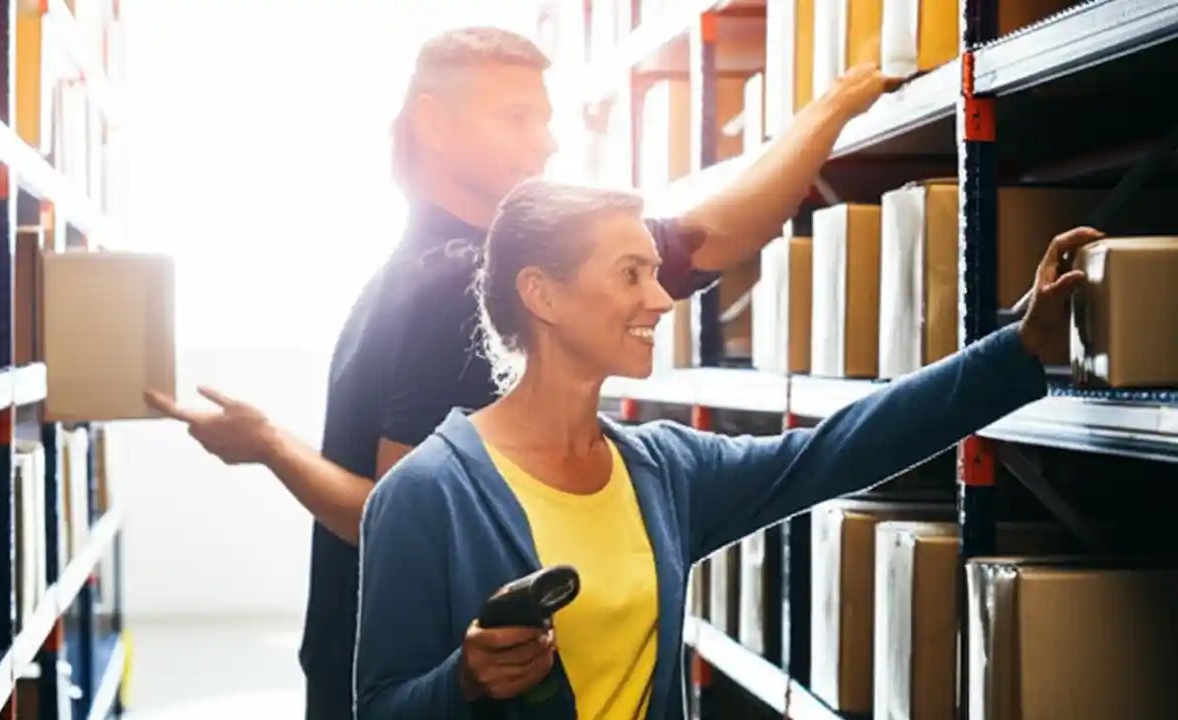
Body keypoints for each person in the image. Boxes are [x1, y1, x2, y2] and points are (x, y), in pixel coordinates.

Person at [146, 27, 897, 719]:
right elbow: (389, 510)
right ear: (435, 122)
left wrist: (828, 111)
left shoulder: (414, 270)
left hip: (356, 664)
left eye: (546, 118)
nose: (545, 142)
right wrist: (273, 444)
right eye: (517, 118)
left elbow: (713, 233)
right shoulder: (461, 285)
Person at [353, 179, 1095, 719]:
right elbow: (381, 706)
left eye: (653, 271)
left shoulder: (664, 472)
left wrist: (1016, 350)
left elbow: (844, 448)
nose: (661, 299)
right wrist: (463, 684)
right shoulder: (427, 493)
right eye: (630, 273)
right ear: (542, 295)